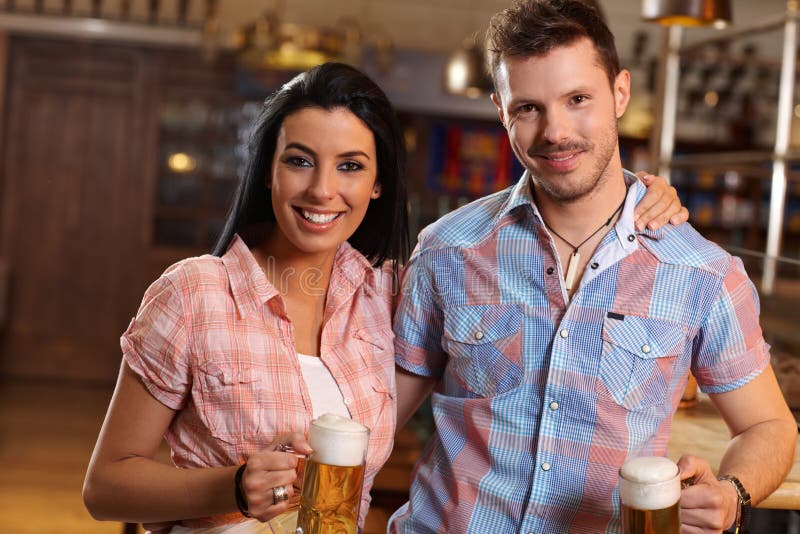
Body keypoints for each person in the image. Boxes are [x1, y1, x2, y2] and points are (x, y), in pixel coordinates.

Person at [82, 60, 683, 532]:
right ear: (268, 170)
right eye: (299, 161)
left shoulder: (390, 292)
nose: (321, 190)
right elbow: (106, 487)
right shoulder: (193, 294)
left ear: (375, 186)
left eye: (349, 166)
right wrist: (235, 487)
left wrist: (634, 195)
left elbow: (526, 270)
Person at [390, 1, 797, 533]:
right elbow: (377, 417)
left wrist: (733, 493)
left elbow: (769, 425)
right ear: (501, 111)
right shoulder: (447, 249)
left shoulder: (702, 272)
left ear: (620, 93)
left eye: (578, 99)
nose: (555, 131)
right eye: (528, 108)